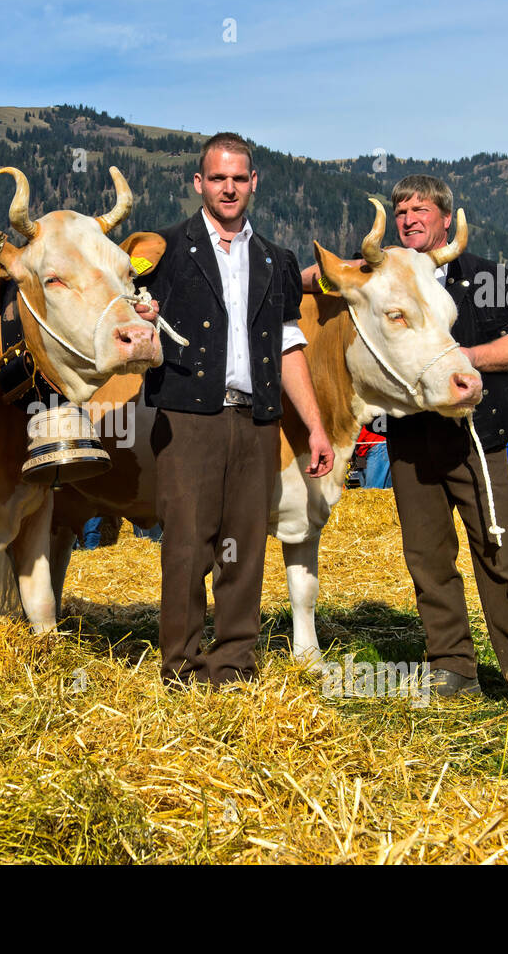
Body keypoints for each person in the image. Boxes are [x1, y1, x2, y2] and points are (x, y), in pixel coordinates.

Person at [138, 132, 333, 688]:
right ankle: (180, 666)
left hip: (256, 420)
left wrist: (315, 427)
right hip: (187, 418)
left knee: (244, 547)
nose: (229, 188)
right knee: (186, 544)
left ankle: (234, 666)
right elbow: (130, 317)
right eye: (217, 178)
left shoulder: (276, 259)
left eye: (239, 178)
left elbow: (290, 347)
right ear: (199, 183)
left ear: (254, 184)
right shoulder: (165, 250)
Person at [382, 175, 508, 719]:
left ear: (446, 215)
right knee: (427, 557)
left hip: (475, 435)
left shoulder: (490, 277)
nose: (409, 220)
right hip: (411, 436)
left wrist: (461, 359)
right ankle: (452, 666)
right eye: (401, 213)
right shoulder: (388, 277)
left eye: (420, 210)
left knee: (498, 550)